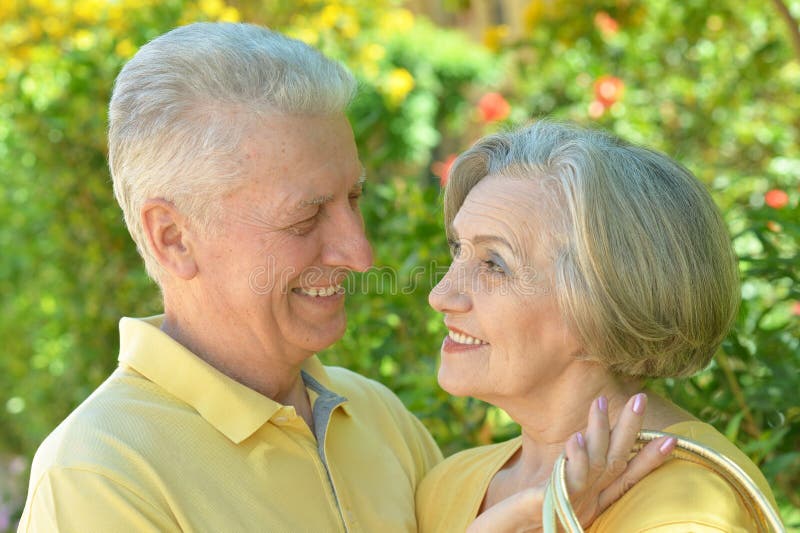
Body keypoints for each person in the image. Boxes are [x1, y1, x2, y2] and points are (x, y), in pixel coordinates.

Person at [19, 23, 668, 532]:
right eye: (306, 216)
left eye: (353, 200)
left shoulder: (379, 420)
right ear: (173, 236)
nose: (359, 253)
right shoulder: (98, 471)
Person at [416, 120, 780, 532]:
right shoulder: (448, 486)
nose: (441, 294)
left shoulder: (688, 512)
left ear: (607, 302)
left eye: (494, 264)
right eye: (457, 249)